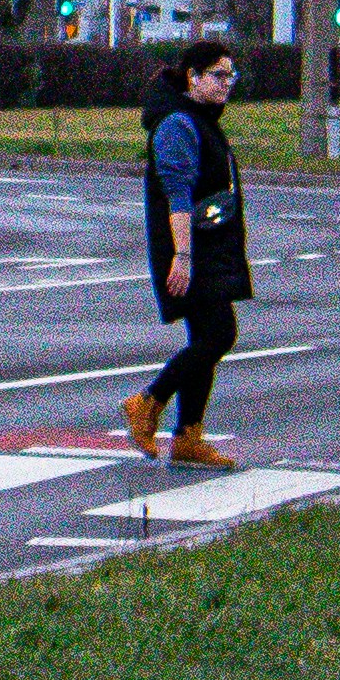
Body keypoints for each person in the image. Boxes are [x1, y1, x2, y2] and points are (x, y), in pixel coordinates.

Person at [129, 37, 250, 466]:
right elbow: (175, 192)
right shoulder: (178, 124)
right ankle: (149, 400)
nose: (226, 83)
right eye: (217, 75)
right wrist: (182, 256)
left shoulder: (200, 119)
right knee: (218, 334)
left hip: (207, 247)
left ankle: (187, 436)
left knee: (208, 337)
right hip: (189, 250)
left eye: (230, 75)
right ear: (192, 78)